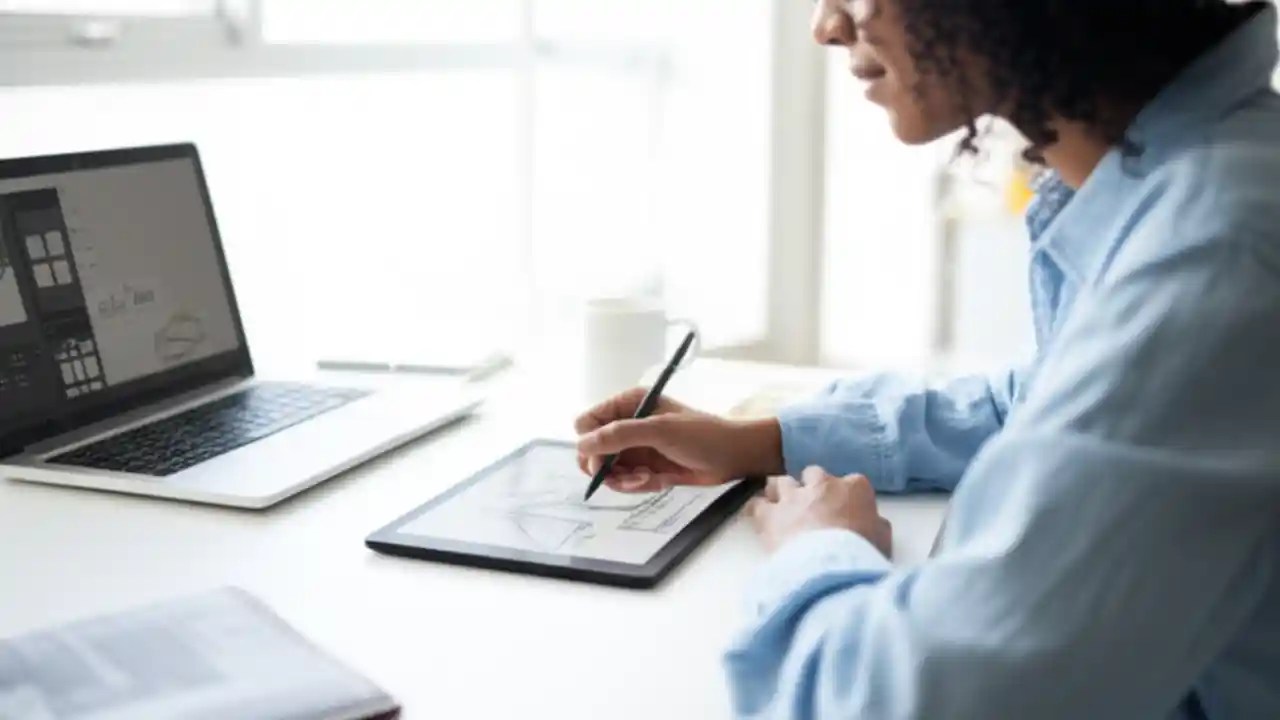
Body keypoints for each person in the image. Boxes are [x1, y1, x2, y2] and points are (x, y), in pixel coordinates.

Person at [574, 0, 1280, 717]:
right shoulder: (1182, 178)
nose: (827, 25)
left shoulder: (1216, 254)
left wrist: (817, 550)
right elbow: (1030, 403)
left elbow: (893, 701)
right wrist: (763, 442)